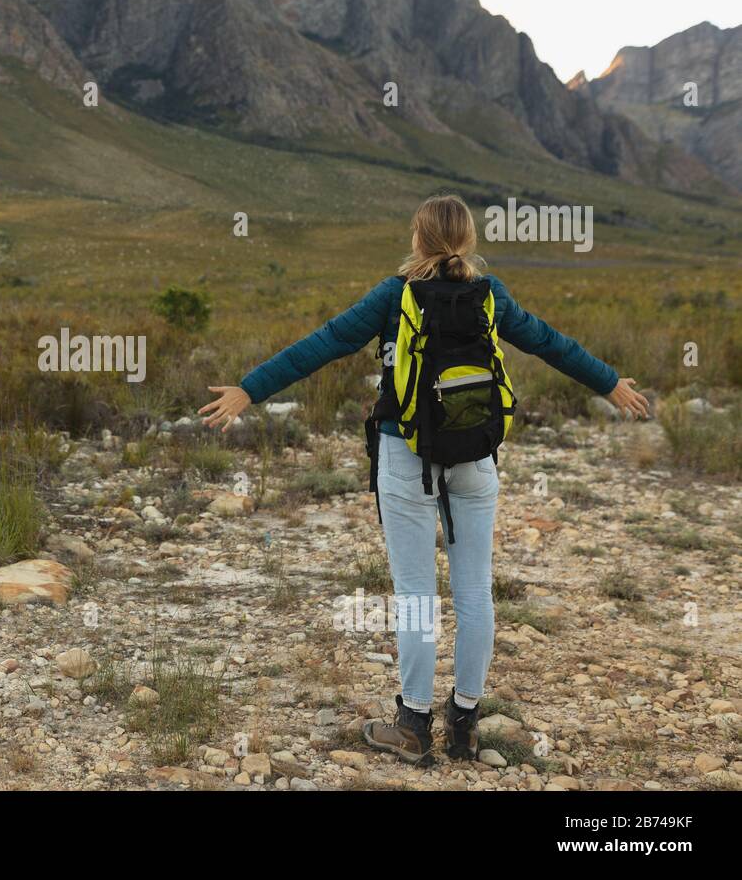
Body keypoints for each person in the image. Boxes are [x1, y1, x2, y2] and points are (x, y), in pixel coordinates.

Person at [198, 194, 650, 766]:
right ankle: (464, 725)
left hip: (404, 456)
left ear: (418, 237)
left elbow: (324, 344)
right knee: (475, 594)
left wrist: (249, 389)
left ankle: (412, 724)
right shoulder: (491, 295)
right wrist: (609, 383)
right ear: (467, 241)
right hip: (475, 461)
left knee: (416, 596)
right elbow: (549, 343)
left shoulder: (394, 295)